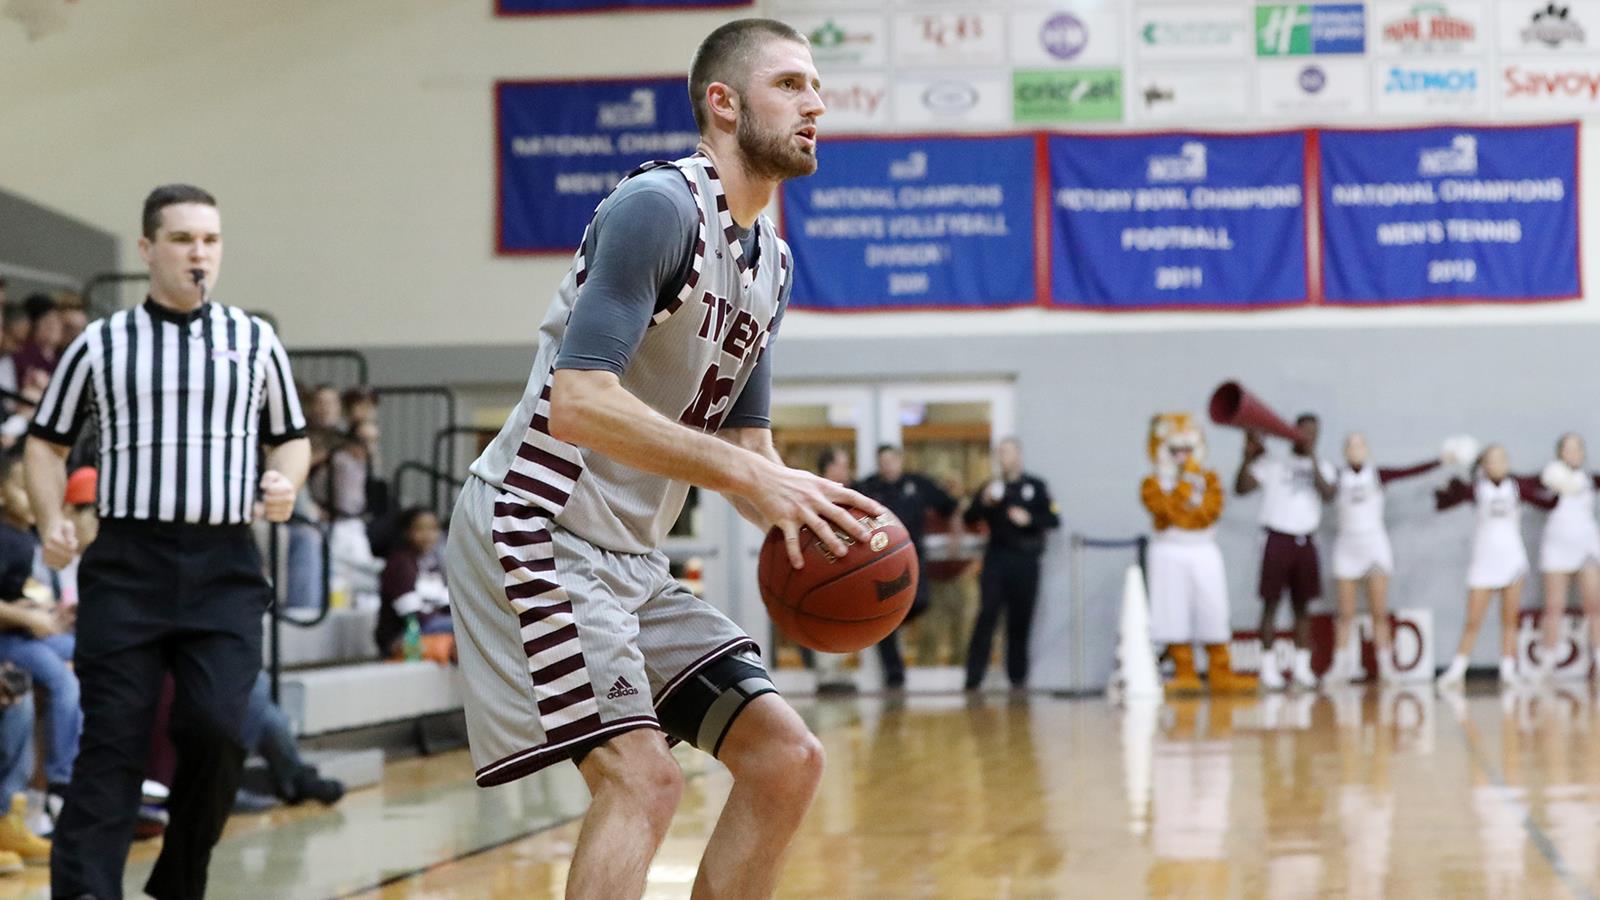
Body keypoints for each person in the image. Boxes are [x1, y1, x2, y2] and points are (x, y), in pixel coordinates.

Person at [443, 20, 870, 898]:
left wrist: (822, 518)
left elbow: (748, 449)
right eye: (791, 84)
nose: (815, 103)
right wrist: (752, 476)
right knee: (643, 777)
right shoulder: (661, 209)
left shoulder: (772, 266)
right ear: (723, 102)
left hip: (629, 563)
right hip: (536, 529)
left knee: (787, 757)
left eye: (816, 86)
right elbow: (581, 400)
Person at [26, 183, 310, 900]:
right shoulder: (101, 342)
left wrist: (284, 483)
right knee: (113, 739)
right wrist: (50, 516)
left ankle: (179, 878)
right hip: (128, 563)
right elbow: (43, 443)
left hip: (224, 567)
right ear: (149, 248)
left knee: (217, 730)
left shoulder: (255, 340)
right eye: (183, 239)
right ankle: (86, 891)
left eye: (210, 240)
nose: (199, 253)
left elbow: (292, 441)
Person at [1141, 414, 1255, 695]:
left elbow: (1209, 512)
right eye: (1175, 451)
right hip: (1169, 551)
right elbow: (1164, 512)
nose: (1182, 456)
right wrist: (1183, 487)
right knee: (1171, 610)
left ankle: (1221, 671)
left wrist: (1188, 496)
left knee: (1213, 609)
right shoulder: (1153, 483)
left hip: (1203, 549)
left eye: (1187, 450)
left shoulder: (1210, 479)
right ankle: (1184, 671)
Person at [0, 447, 80, 821]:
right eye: (20, 488)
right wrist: (28, 618)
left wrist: (46, 612)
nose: (31, 497)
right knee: (62, 681)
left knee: (94, 655)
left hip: (27, 632)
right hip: (11, 641)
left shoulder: (27, 537)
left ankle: (87, 770)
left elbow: (22, 591)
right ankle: (60, 784)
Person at [1325, 434, 1441, 684]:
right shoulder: (1336, 476)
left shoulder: (1378, 475)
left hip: (1374, 547)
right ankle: (1340, 666)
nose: (1356, 450)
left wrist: (1441, 460)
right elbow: (1322, 490)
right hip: (1347, 547)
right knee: (1345, 614)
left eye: (1360, 445)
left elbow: (1410, 471)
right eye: (1351, 446)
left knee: (1379, 611)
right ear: (1345, 451)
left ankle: (1387, 666)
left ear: (1367, 449)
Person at [1434, 445, 1553, 687]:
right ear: (1484, 465)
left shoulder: (1518, 487)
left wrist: (1561, 486)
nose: (1498, 464)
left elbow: (1547, 502)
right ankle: (1457, 670)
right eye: (1492, 460)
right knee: (1473, 620)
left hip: (1512, 560)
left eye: (1502, 459)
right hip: (1483, 562)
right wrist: (1452, 473)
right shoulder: (1476, 489)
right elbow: (1442, 501)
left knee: (1509, 619)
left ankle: (1508, 670)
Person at [1235, 415, 1336, 691]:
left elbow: (1328, 494)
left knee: (1302, 607)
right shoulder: (1274, 463)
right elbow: (1241, 488)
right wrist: (1247, 458)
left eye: (1313, 433)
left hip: (1305, 540)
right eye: (1303, 432)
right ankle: (1268, 669)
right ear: (1292, 433)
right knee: (1271, 604)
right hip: (1277, 539)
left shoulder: (1323, 466)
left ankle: (1302, 669)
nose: (1308, 437)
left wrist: (1312, 458)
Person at [852, 445, 957, 689]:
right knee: (884, 620)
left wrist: (956, 531)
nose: (887, 465)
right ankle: (895, 674)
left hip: (912, 561)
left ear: (900, 461)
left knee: (918, 604)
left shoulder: (918, 484)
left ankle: (904, 643)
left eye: (891, 460)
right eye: (883, 461)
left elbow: (950, 506)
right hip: (879, 565)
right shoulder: (868, 487)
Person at [963, 437, 1059, 691]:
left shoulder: (1035, 486)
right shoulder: (991, 488)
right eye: (999, 453)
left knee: (1020, 620)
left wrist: (1029, 519)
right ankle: (974, 679)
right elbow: (969, 518)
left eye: (1007, 452)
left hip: (1026, 561)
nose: (1003, 457)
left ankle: (1018, 678)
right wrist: (983, 502)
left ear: (1018, 455)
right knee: (987, 617)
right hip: (996, 560)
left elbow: (1053, 519)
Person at [1533, 433, 1600, 681]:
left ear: (1583, 453)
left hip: (1586, 548)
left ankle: (1598, 657)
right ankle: (1548, 661)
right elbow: (1535, 495)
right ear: (1560, 452)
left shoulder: (1589, 480)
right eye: (1567, 449)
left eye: (1577, 448)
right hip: (1557, 549)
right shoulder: (1550, 479)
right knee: (1554, 607)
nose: (1572, 453)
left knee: (1594, 606)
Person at [377, 507, 453, 663]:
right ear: (406, 532)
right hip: (404, 635)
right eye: (420, 529)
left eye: (432, 529)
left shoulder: (432, 563)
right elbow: (413, 616)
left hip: (432, 626)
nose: (428, 535)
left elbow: (447, 604)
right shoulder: (399, 564)